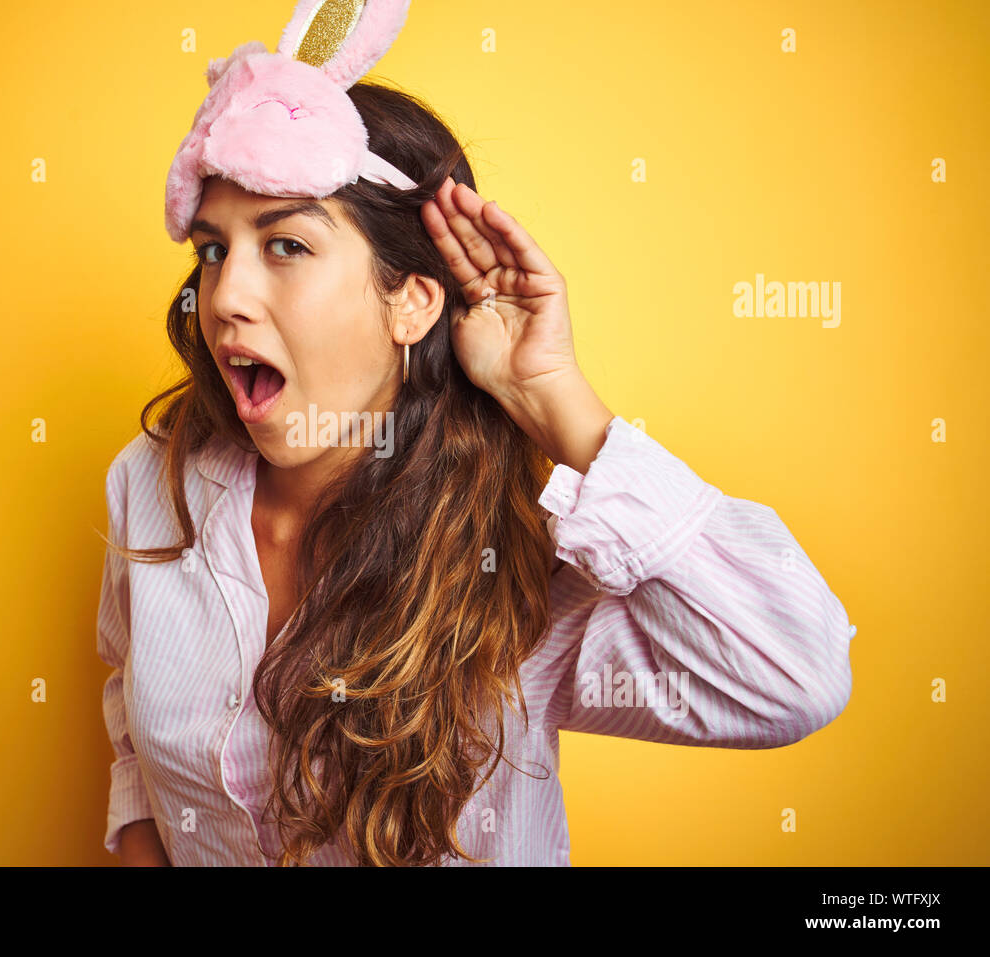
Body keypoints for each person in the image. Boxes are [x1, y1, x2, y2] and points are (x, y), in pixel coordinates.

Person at [96, 2, 855, 867]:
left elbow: (794, 675)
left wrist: (557, 397)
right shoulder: (150, 485)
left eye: (287, 247)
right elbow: (135, 721)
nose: (225, 295)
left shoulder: (514, 560)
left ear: (413, 299)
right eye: (212, 250)